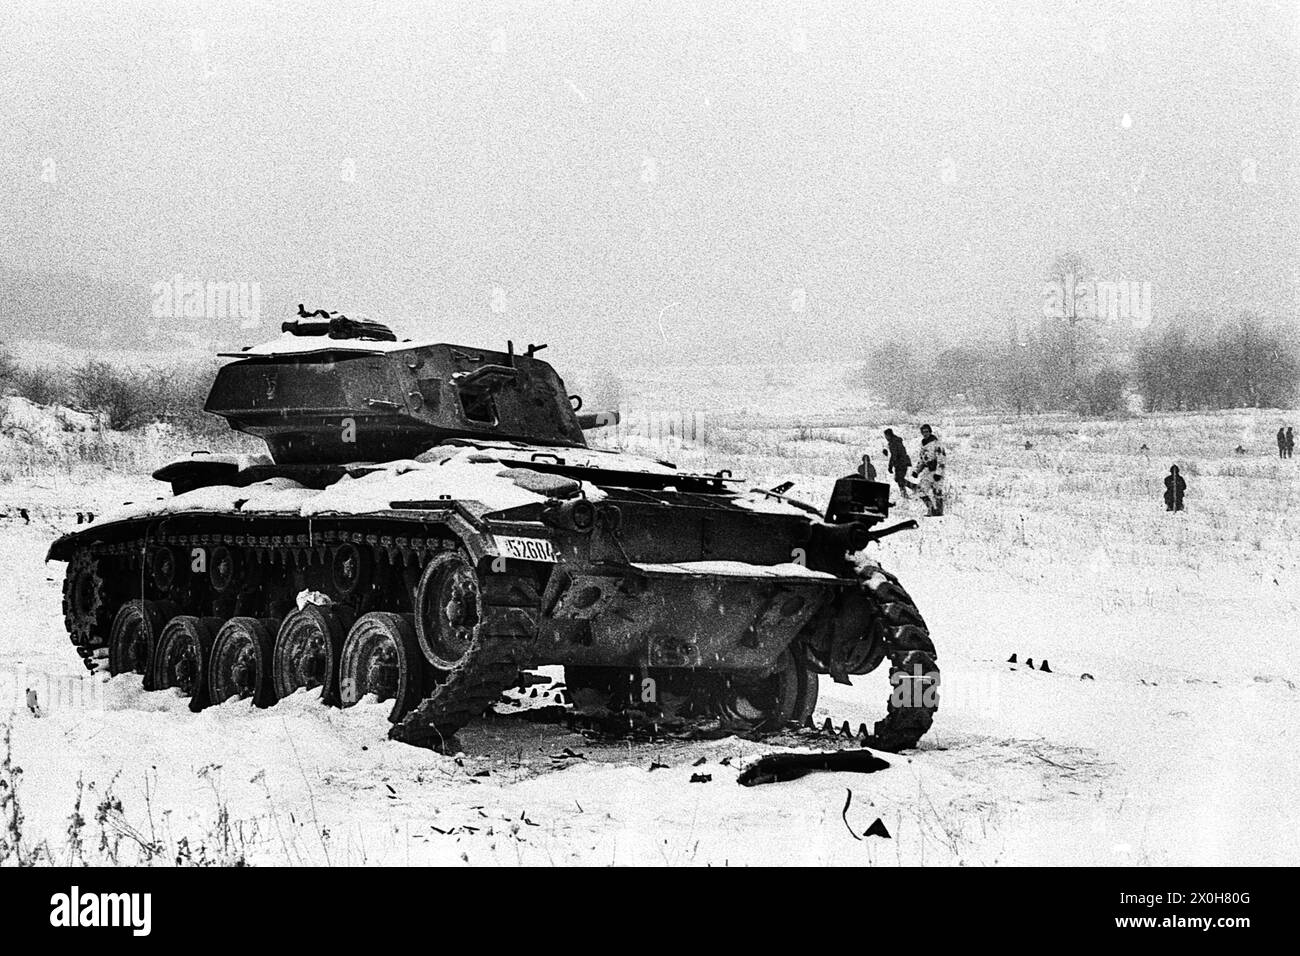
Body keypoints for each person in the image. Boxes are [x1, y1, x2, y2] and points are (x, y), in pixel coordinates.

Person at [911, 423, 947, 516]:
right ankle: (930, 508)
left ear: (930, 432)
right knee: (920, 490)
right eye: (923, 432)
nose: (925, 434)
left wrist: (939, 472)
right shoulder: (923, 444)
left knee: (937, 491)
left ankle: (939, 511)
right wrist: (916, 471)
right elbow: (922, 459)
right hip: (927, 471)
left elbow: (941, 458)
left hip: (936, 470)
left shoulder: (937, 443)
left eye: (927, 432)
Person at [883, 428, 918, 497]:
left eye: (886, 436)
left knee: (899, 479)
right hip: (903, 462)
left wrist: (890, 466)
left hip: (900, 463)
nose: (886, 438)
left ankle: (906, 493)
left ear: (888, 435)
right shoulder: (896, 441)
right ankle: (913, 487)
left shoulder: (893, 443)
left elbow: (894, 455)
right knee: (898, 478)